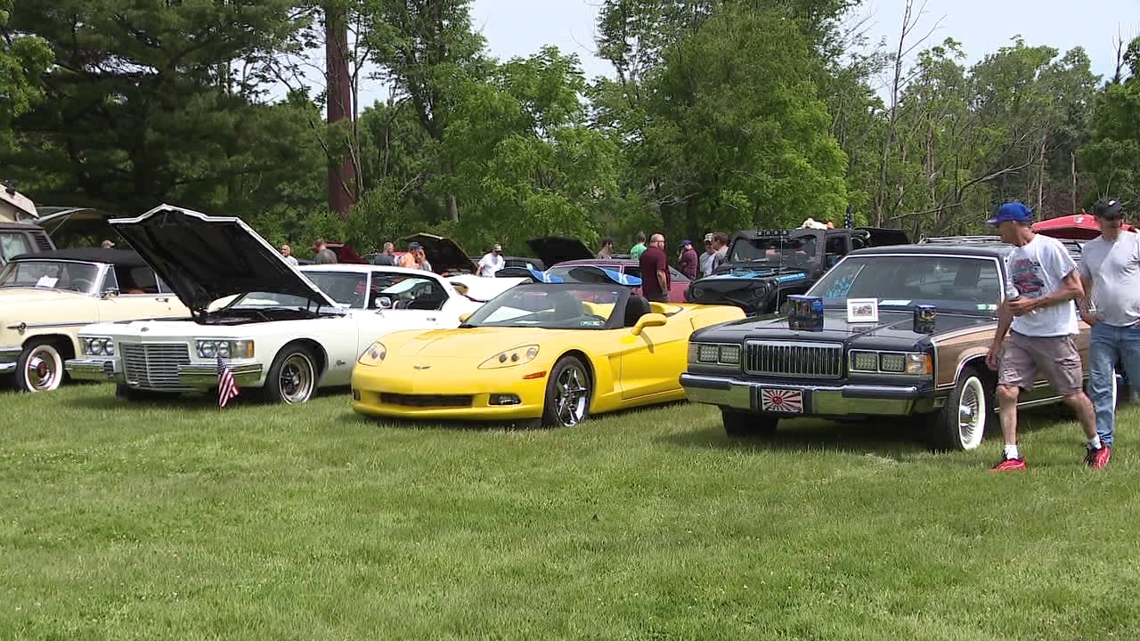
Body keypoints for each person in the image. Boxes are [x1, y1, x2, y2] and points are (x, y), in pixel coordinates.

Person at [984, 202, 1098, 472]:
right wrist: (996, 343)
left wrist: (1034, 303)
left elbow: (1076, 289)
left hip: (1055, 335)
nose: (998, 231)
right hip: (1022, 335)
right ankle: (1012, 456)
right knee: (1006, 390)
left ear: (1013, 224)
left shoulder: (1050, 248)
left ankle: (1096, 444)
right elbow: (1011, 304)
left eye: (1000, 225)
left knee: (1072, 395)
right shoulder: (1012, 258)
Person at [1076, 198, 1140, 470]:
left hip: (1135, 327)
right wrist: (1083, 311)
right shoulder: (1090, 249)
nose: (1117, 222)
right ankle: (1103, 444)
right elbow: (1083, 281)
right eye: (1111, 218)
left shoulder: (1135, 242)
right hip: (1103, 328)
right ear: (1098, 221)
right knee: (1100, 387)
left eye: (1119, 217)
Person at [639, 233, 671, 303]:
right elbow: (660, 273)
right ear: (659, 243)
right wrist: (665, 290)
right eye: (663, 242)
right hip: (659, 293)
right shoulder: (660, 254)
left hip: (646, 292)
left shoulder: (644, 254)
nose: (664, 244)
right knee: (666, 309)